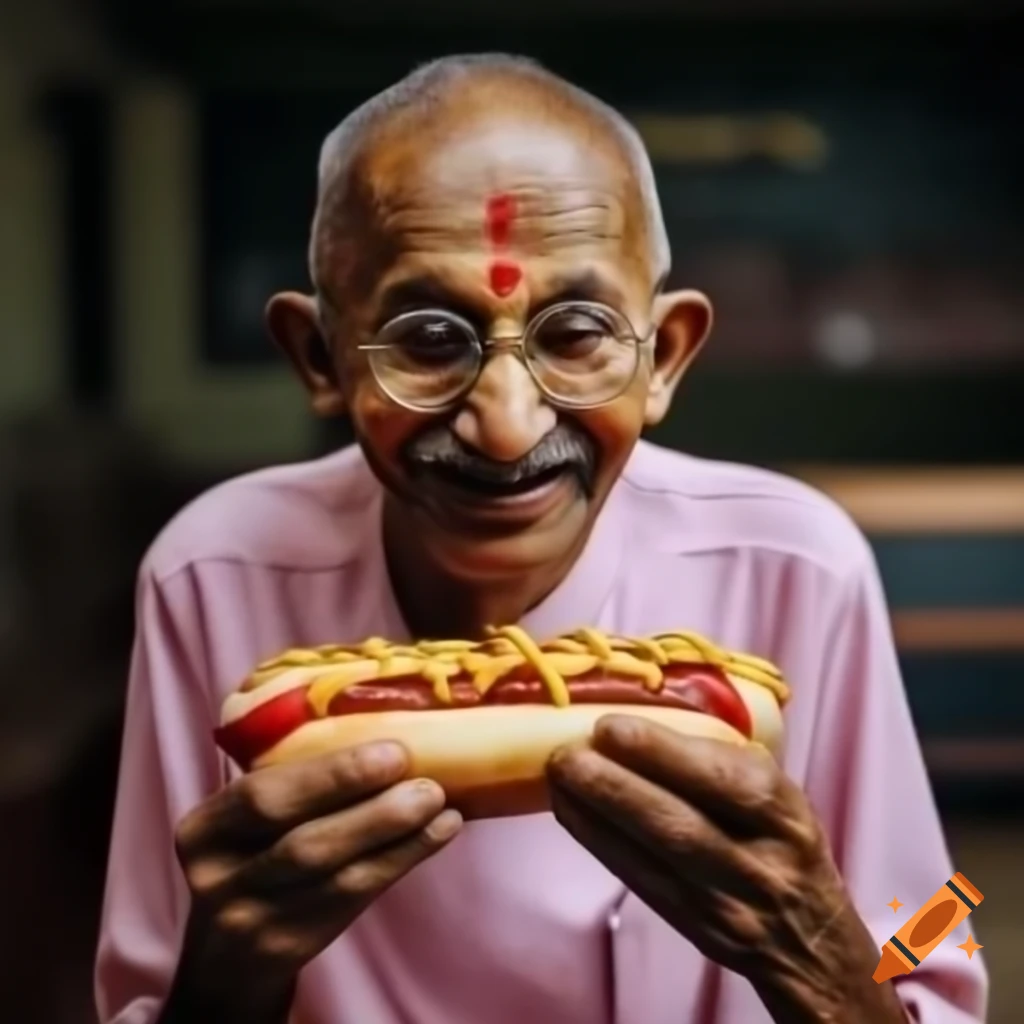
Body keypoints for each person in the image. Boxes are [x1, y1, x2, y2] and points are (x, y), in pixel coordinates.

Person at [95, 54, 987, 1024]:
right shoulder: (212, 572)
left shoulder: (799, 563)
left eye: (575, 334)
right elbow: (140, 996)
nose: (508, 425)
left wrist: (831, 962)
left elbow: (935, 920)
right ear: (320, 358)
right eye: (430, 340)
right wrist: (222, 984)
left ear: (666, 358)